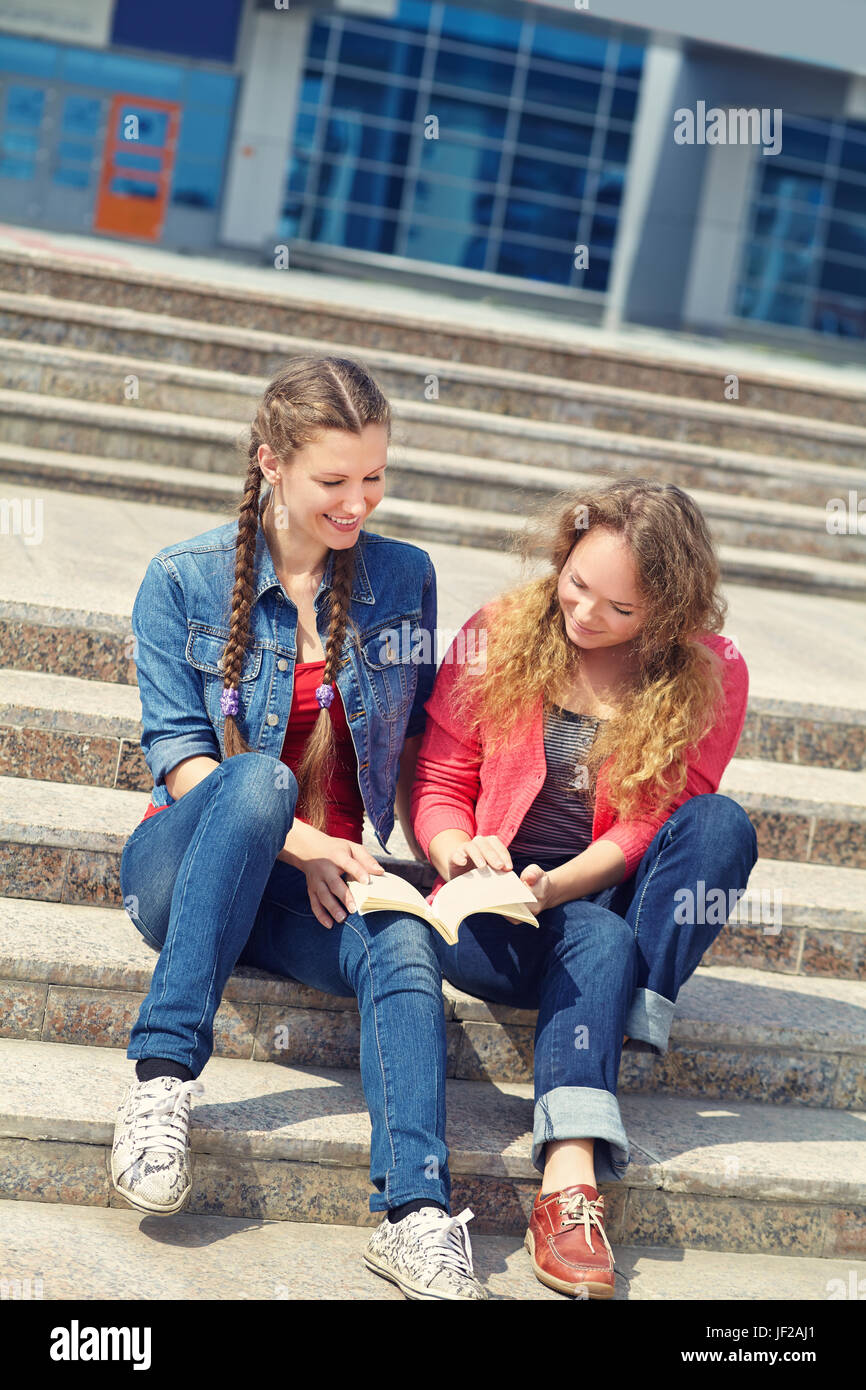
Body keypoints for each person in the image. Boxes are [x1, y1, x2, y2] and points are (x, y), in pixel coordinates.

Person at [114, 355, 487, 1300]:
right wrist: (307, 840)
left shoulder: (405, 578)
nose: (357, 501)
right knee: (253, 784)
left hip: (318, 888)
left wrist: (447, 850)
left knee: (403, 943)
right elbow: (180, 758)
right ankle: (160, 1080)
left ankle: (415, 1216)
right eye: (333, 481)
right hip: (188, 863)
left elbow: (413, 741)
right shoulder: (182, 579)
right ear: (271, 462)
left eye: (374, 477)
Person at [409, 478, 758, 1299]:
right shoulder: (501, 629)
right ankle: (570, 1187)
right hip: (493, 909)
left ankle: (627, 1007)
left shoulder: (710, 671)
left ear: (669, 615)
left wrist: (556, 884)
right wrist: (457, 848)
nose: (587, 616)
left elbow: (651, 823)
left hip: (595, 894)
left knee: (720, 826)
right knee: (595, 941)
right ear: (561, 557)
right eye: (577, 585)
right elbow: (438, 774)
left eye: (620, 610)